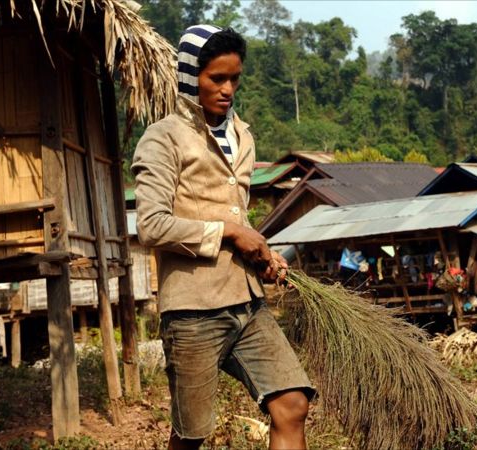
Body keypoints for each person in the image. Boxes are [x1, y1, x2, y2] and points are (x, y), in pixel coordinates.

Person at [132, 25, 315, 450]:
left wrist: (261, 253)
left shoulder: (242, 136)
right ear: (190, 76)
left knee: (292, 404)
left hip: (247, 304)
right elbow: (152, 225)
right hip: (193, 311)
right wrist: (230, 232)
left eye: (235, 79)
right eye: (217, 78)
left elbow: (236, 215)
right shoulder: (164, 138)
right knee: (191, 436)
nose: (228, 88)